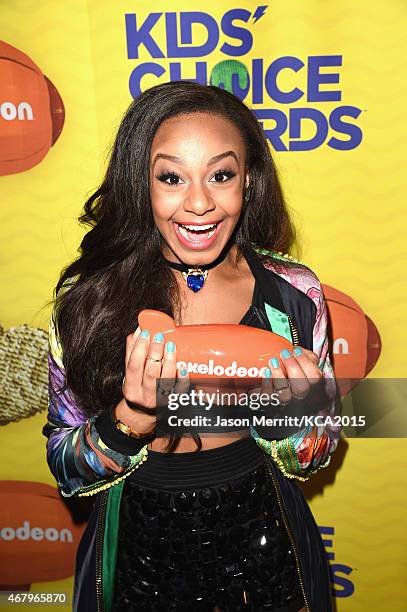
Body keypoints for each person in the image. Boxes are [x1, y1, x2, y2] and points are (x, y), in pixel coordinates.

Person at [43, 81, 341, 612]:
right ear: (142, 183)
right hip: (135, 549)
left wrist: (299, 418)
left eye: (221, 175)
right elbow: (65, 465)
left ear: (248, 180)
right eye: (172, 177)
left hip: (265, 541)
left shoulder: (295, 294)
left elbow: (313, 455)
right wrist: (127, 419)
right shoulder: (89, 302)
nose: (199, 203)